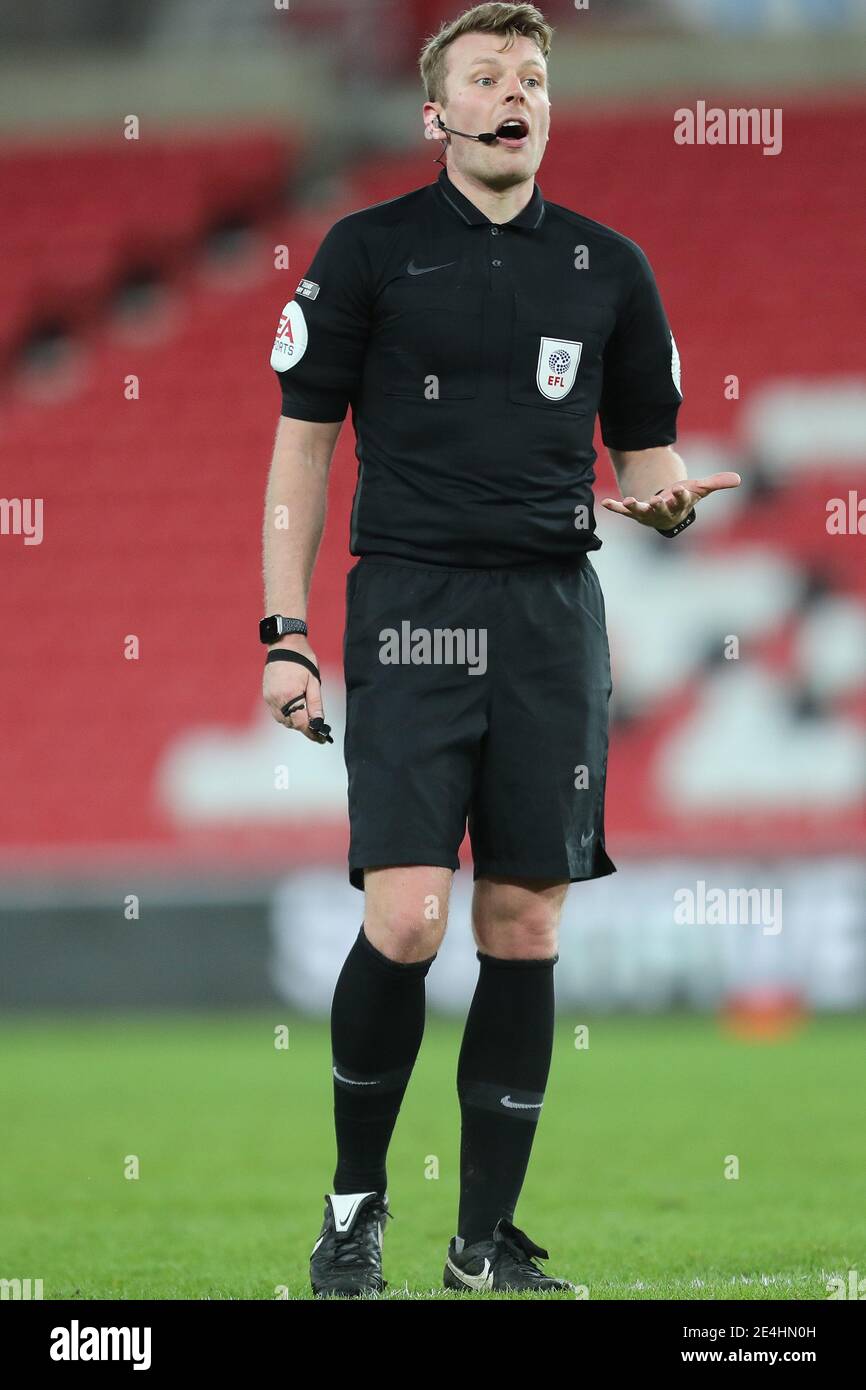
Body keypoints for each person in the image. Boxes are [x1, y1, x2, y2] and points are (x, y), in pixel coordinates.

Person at [261, 0, 739, 1297]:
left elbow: (647, 450)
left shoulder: (607, 267)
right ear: (436, 113)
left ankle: (482, 1238)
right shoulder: (365, 253)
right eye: (486, 74)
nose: (513, 91)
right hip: (411, 603)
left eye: (531, 74)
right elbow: (301, 448)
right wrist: (284, 632)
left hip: (548, 613)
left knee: (522, 922)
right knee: (408, 917)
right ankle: (355, 1206)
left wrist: (666, 498)